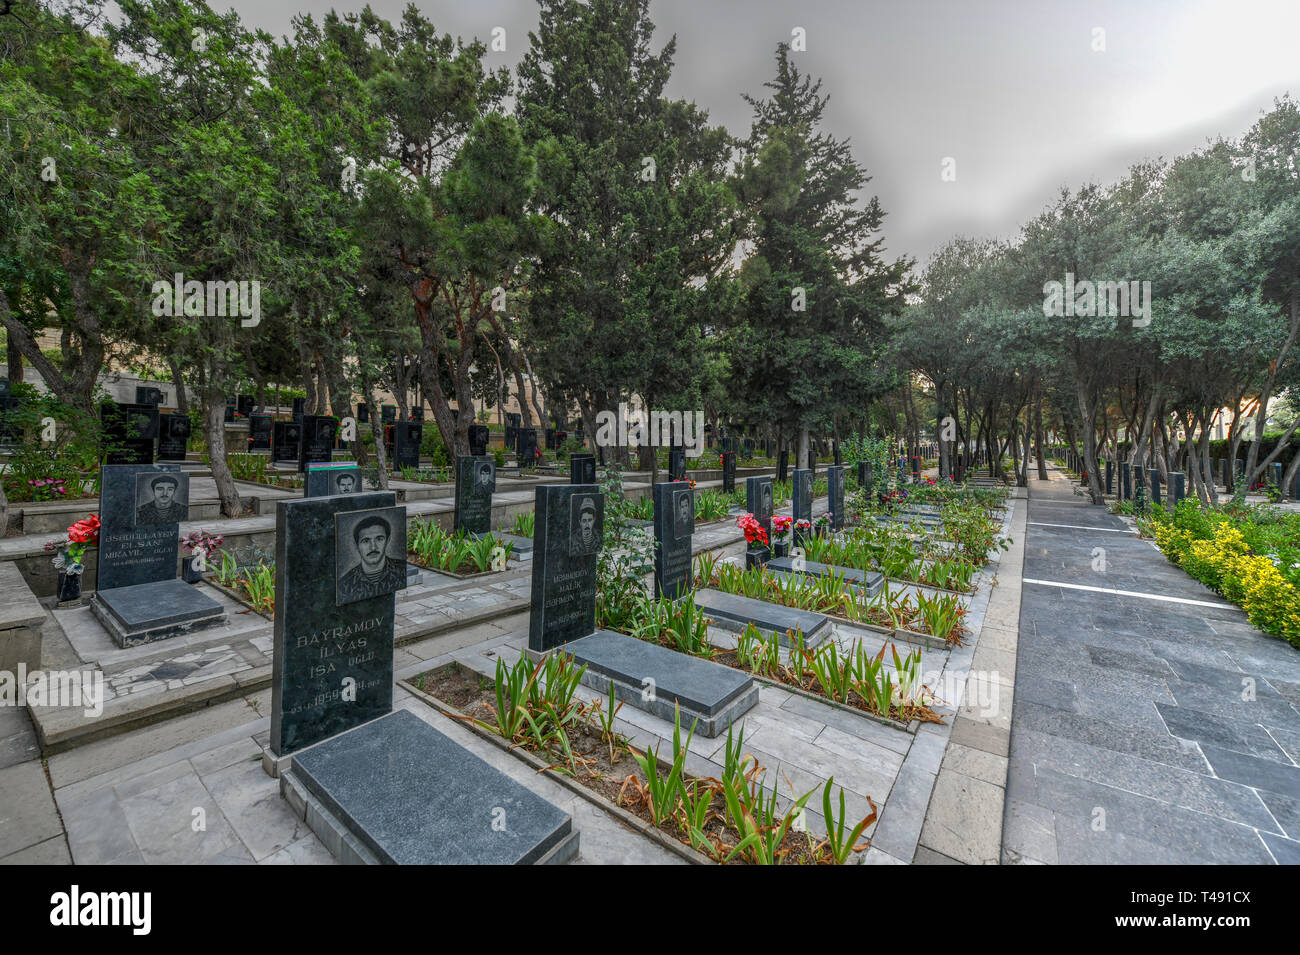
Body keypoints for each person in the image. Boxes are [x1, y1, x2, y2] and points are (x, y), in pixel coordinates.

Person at [338, 514, 406, 603]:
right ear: (357, 545)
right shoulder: (345, 584)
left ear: (388, 540)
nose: (373, 547)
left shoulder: (402, 570)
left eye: (379, 539)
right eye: (366, 541)